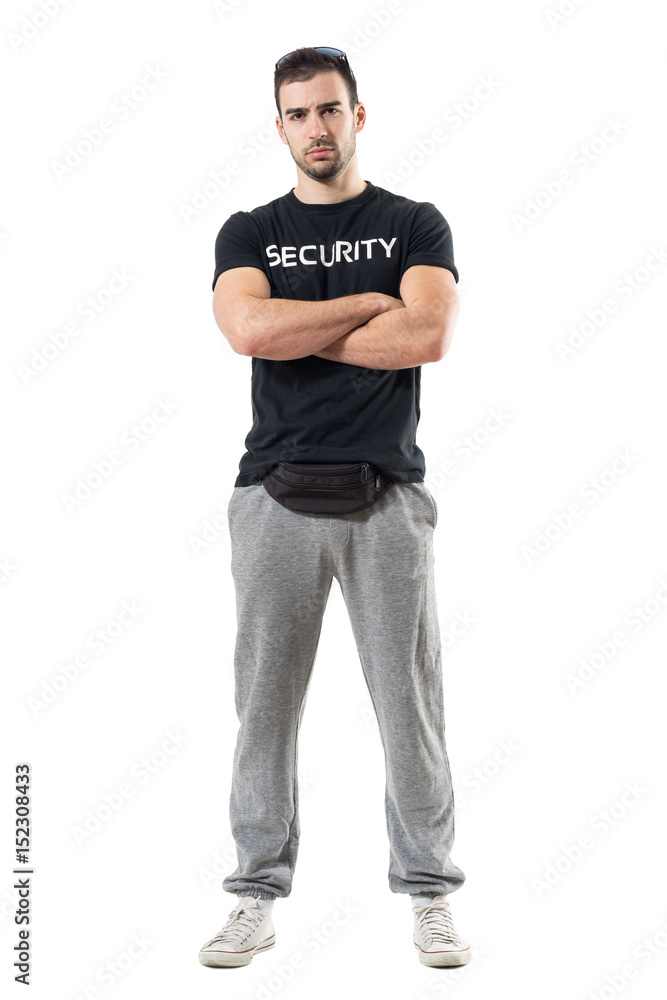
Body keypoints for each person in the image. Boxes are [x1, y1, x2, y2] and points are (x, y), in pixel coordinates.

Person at [199, 46, 471, 971]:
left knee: (409, 704)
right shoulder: (249, 231)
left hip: (386, 496)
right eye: (298, 114)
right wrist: (365, 305)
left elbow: (426, 332)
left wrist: (299, 325)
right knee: (263, 706)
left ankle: (430, 895)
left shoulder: (413, 222)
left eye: (330, 109)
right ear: (279, 127)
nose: (316, 127)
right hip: (271, 496)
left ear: (360, 114)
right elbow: (246, 328)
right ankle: (253, 895)